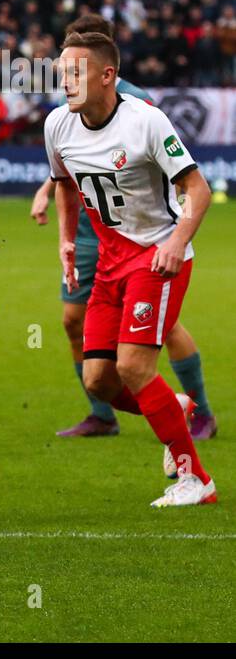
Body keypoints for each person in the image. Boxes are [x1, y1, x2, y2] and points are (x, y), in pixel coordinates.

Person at [45, 31, 216, 507]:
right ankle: (174, 408)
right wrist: (64, 239)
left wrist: (177, 242)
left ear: (107, 76)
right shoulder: (57, 125)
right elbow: (63, 184)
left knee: (133, 366)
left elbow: (198, 191)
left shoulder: (146, 122)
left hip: (157, 257)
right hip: (109, 263)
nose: (65, 82)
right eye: (61, 74)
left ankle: (195, 480)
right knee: (99, 379)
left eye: (75, 73)